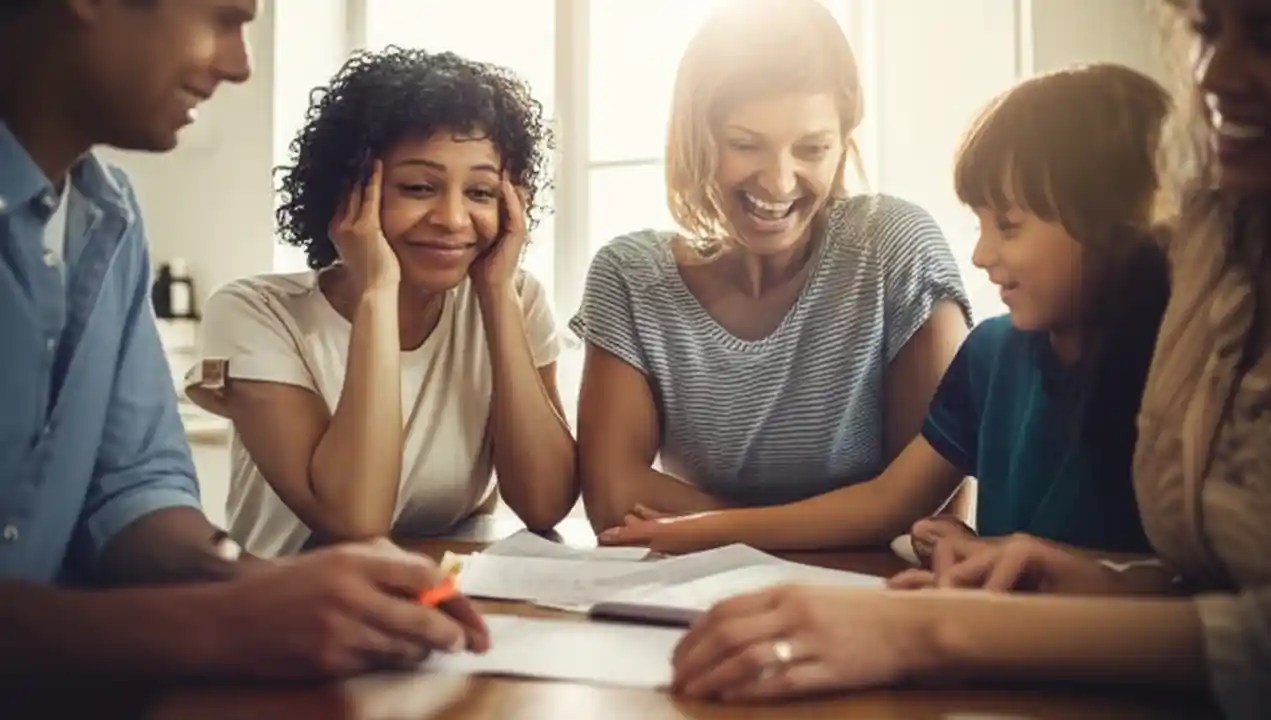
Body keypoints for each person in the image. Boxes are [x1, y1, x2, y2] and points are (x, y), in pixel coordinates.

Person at [667, 1, 1271, 718]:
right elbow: (1219, 587)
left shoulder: (1160, 346)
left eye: (1010, 226)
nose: (1211, 75)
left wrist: (932, 629)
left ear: (1116, 224)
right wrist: (1107, 579)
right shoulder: (1024, 348)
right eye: (1204, 31)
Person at [0, 0, 487, 681]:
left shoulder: (109, 216)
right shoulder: (259, 308)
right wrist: (208, 624)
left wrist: (265, 583)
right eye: (222, 17)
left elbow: (132, 491)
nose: (239, 64)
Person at [601, 63, 1172, 558]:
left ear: (1109, 227)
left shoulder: (1180, 369)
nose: (979, 254)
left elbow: (1223, 590)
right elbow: (885, 505)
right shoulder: (991, 355)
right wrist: (704, 531)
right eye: (979, 224)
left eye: (1009, 226)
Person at [571, 0, 972, 535]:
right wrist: (843, 523)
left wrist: (708, 528)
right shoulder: (630, 278)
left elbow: (932, 517)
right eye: (745, 145)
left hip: (870, 603)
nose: (779, 183)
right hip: (694, 599)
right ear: (696, 136)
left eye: (812, 148)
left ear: (843, 141)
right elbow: (614, 497)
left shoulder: (894, 251)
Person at [184, 48, 577, 558]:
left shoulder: (514, 297)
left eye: (480, 192)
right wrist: (376, 292)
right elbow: (355, 520)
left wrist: (498, 296)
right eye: (419, 187)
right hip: (289, 612)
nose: (454, 219)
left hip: (452, 602)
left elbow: (545, 503)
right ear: (347, 193)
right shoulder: (254, 313)